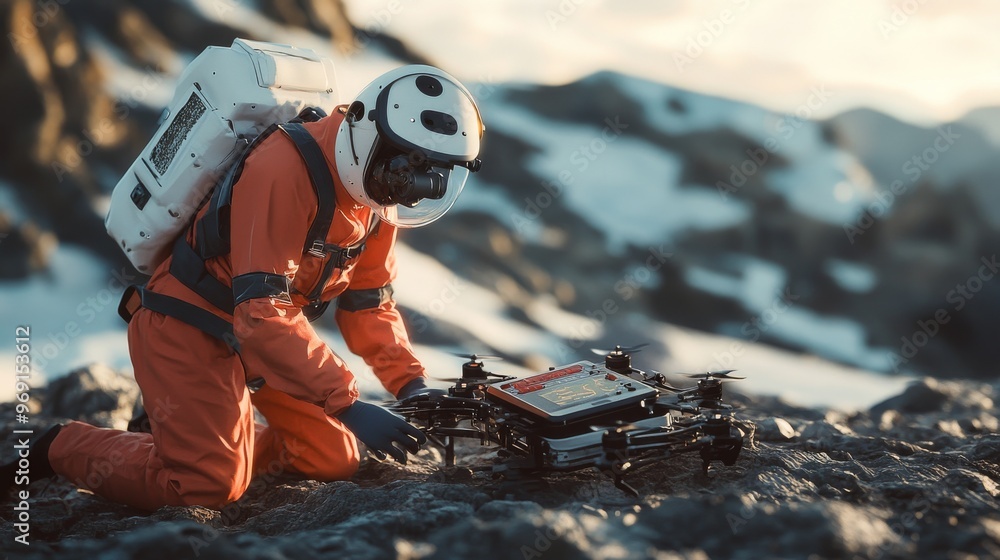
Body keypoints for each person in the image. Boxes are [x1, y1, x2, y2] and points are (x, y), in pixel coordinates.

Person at [2, 65, 484, 511]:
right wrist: (346, 402)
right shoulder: (284, 168)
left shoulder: (378, 196)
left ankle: (194, 435)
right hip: (189, 325)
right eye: (406, 166)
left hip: (262, 341)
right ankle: (59, 446)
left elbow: (367, 302)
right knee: (208, 487)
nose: (415, 184)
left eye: (432, 175)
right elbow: (262, 314)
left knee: (331, 459)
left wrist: (410, 384)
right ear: (364, 132)